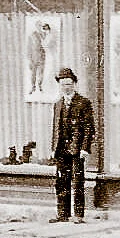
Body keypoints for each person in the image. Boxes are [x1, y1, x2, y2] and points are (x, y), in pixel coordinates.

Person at [49, 68, 94, 223]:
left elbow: (89, 128)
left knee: (77, 181)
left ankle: (79, 215)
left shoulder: (83, 103)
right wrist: (53, 148)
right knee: (61, 181)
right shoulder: (58, 104)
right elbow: (56, 128)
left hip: (76, 150)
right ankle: (63, 214)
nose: (66, 87)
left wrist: (85, 148)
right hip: (61, 150)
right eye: (63, 85)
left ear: (74, 84)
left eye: (69, 84)